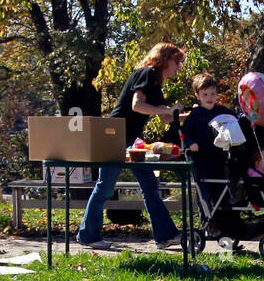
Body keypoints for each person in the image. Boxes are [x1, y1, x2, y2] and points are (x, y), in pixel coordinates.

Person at [76, 42, 185, 250]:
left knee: (150, 186)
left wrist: (190, 115)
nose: (178, 66)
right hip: (114, 136)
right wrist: (170, 110)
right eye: (176, 61)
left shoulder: (156, 83)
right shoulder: (147, 73)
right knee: (105, 187)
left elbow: (164, 118)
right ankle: (88, 235)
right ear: (163, 59)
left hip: (132, 141)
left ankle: (165, 236)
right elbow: (138, 105)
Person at [182, 72, 247, 241]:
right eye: (205, 94)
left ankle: (224, 225)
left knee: (222, 193)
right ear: (198, 96)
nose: (209, 97)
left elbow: (238, 121)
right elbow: (186, 134)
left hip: (220, 160)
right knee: (204, 194)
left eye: (212, 93)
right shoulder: (195, 116)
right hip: (201, 162)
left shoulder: (223, 111)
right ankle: (207, 224)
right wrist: (190, 144)